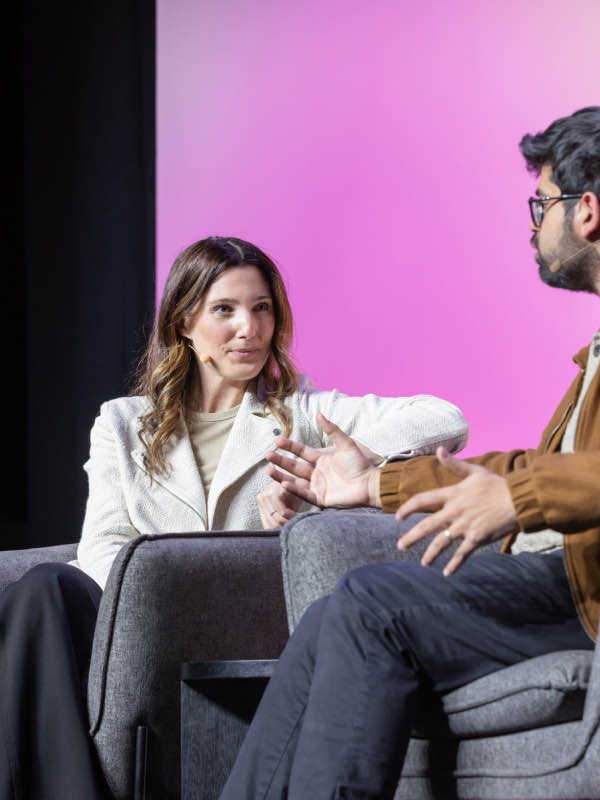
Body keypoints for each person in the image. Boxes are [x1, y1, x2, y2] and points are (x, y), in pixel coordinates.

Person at [219, 107, 600, 799]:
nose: (533, 226)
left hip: (593, 594)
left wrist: (520, 499)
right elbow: (532, 467)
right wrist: (376, 484)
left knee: (372, 601)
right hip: (573, 578)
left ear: (587, 212)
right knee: (330, 616)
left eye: (541, 204)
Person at [0, 236, 468, 800]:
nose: (249, 328)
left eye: (262, 308)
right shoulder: (123, 424)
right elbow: (103, 542)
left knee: (39, 597)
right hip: (132, 622)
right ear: (184, 322)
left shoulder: (299, 413)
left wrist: (335, 472)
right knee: (45, 587)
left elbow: (445, 420)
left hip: (238, 617)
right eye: (225, 309)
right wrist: (146, 602)